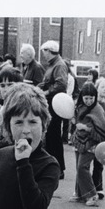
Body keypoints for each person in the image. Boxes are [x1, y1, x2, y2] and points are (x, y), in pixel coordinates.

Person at [67, 82, 105, 207]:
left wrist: (86, 128)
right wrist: (73, 122)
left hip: (92, 143)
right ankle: (79, 194)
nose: (89, 101)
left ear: (95, 97)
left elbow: (103, 130)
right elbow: (74, 121)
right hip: (78, 141)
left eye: (91, 98)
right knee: (78, 168)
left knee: (82, 167)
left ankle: (92, 194)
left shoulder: (98, 109)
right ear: (82, 97)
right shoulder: (79, 107)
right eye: (86, 98)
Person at [36, 41, 70, 176]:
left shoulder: (59, 65)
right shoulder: (53, 65)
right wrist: (41, 85)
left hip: (55, 105)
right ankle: (53, 166)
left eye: (44, 52)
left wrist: (46, 92)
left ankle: (59, 168)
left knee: (54, 136)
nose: (43, 55)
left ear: (49, 51)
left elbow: (61, 84)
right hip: (51, 104)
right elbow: (50, 81)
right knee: (50, 136)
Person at [91, 78, 105, 200]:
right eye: (102, 87)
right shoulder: (94, 104)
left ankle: (98, 188)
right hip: (92, 137)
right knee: (84, 164)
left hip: (103, 138)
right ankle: (85, 188)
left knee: (99, 164)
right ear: (97, 88)